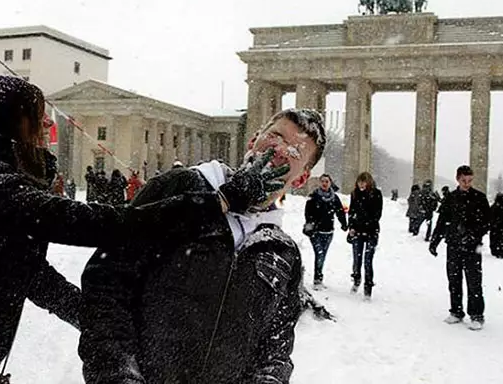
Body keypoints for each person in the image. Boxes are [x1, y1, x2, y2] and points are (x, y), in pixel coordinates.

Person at [0, 76, 272, 384]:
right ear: (8, 126)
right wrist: (215, 202)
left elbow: (31, 276)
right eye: (37, 115)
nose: (48, 122)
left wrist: (96, 319)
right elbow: (104, 225)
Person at [79, 108, 326, 384]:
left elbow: (276, 346)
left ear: (302, 178)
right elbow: (107, 282)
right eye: (275, 135)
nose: (279, 148)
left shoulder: (283, 253)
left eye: (294, 150)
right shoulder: (180, 186)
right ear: (253, 140)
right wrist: (116, 373)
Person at [429, 165, 490, 331]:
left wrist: (473, 234)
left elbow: (487, 222)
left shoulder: (479, 198)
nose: (467, 183)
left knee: (474, 281)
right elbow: (442, 222)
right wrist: (434, 241)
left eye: (470, 180)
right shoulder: (450, 198)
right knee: (454, 280)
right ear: (458, 179)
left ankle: (477, 315)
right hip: (454, 245)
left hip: (472, 246)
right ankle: (456, 311)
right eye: (464, 180)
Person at [303, 173, 348, 289]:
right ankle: (317, 280)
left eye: (326, 181)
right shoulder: (313, 196)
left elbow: (340, 211)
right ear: (319, 182)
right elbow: (308, 212)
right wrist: (310, 224)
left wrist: (344, 224)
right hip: (315, 232)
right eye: (322, 181)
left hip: (328, 232)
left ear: (330, 183)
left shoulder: (334, 197)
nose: (324, 183)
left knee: (322, 256)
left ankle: (318, 278)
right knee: (320, 254)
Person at [347, 171, 383, 299]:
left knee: (368, 260)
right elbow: (351, 211)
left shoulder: (376, 194)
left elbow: (377, 214)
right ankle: (356, 278)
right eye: (359, 182)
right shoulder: (355, 194)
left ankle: (368, 287)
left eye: (364, 182)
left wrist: (366, 223)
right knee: (357, 259)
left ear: (369, 183)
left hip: (371, 232)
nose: (361, 184)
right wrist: (351, 226)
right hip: (357, 231)